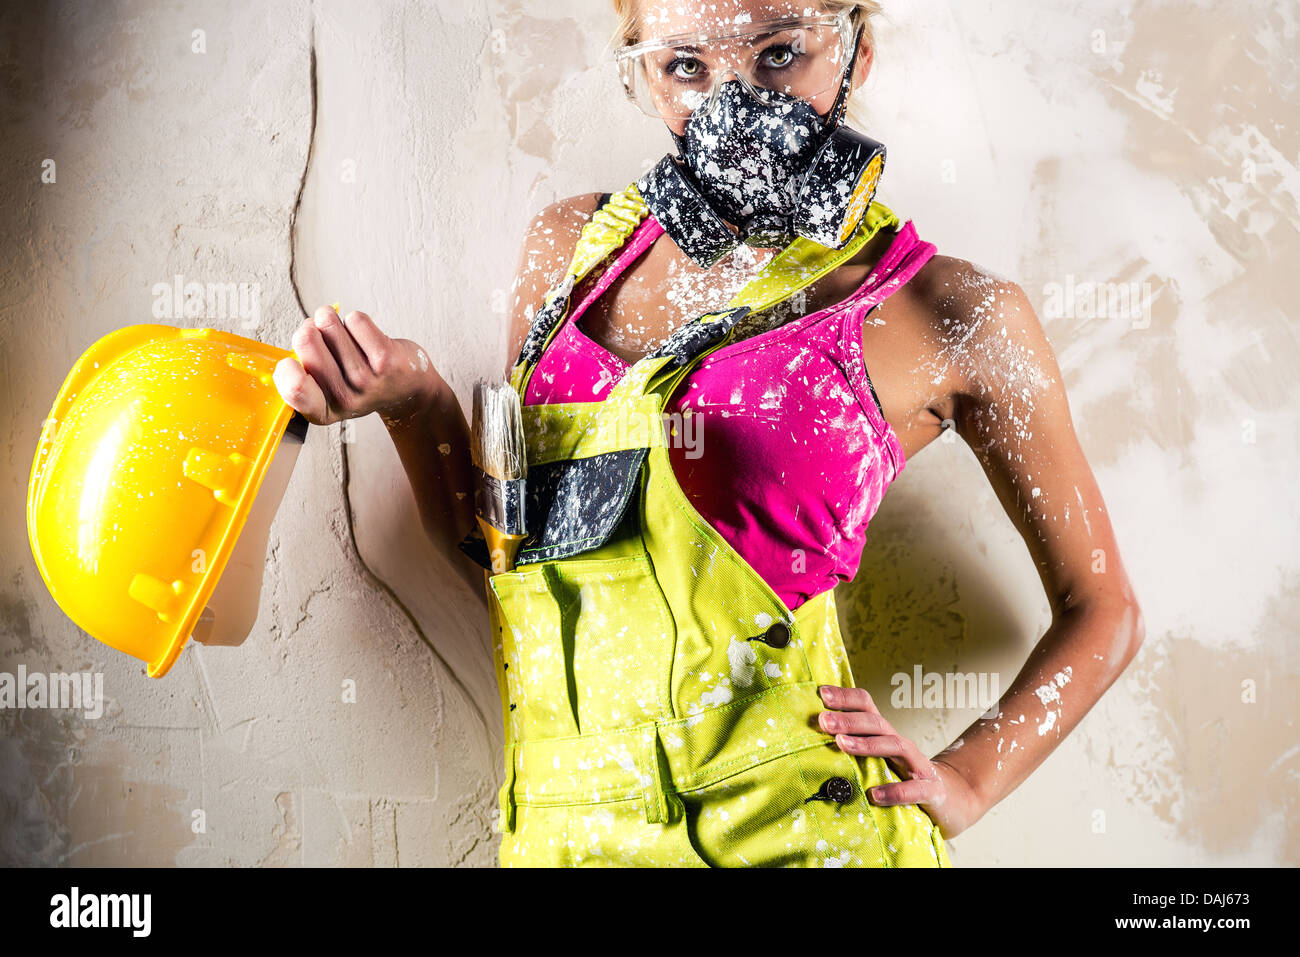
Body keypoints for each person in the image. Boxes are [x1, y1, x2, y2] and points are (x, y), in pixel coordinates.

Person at [273, 0, 1145, 866]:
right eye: (686, 64)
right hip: (559, 838)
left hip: (800, 838)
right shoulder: (565, 254)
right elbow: (503, 553)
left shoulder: (946, 311)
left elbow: (1101, 608)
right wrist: (414, 398)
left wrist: (968, 781)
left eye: (778, 52)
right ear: (642, 73)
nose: (736, 97)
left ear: (856, 50)